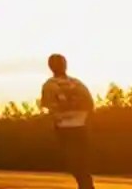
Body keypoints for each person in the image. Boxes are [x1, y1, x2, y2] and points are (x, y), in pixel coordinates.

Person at [40, 54, 96, 189]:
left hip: (64, 126)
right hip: (80, 124)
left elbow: (48, 106)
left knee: (73, 161)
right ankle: (86, 184)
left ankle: (86, 185)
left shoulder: (49, 85)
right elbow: (90, 103)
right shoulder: (77, 83)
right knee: (81, 160)